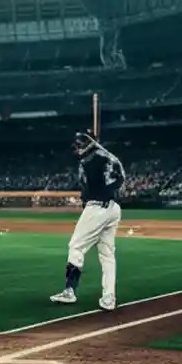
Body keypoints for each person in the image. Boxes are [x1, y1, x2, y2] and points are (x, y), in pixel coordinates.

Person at [50, 130, 125, 311]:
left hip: (97, 207)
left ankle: (69, 291)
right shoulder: (109, 156)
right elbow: (121, 179)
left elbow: (85, 189)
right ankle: (109, 298)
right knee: (107, 255)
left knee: (76, 246)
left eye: (78, 146)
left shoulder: (89, 161)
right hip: (114, 208)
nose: (76, 151)